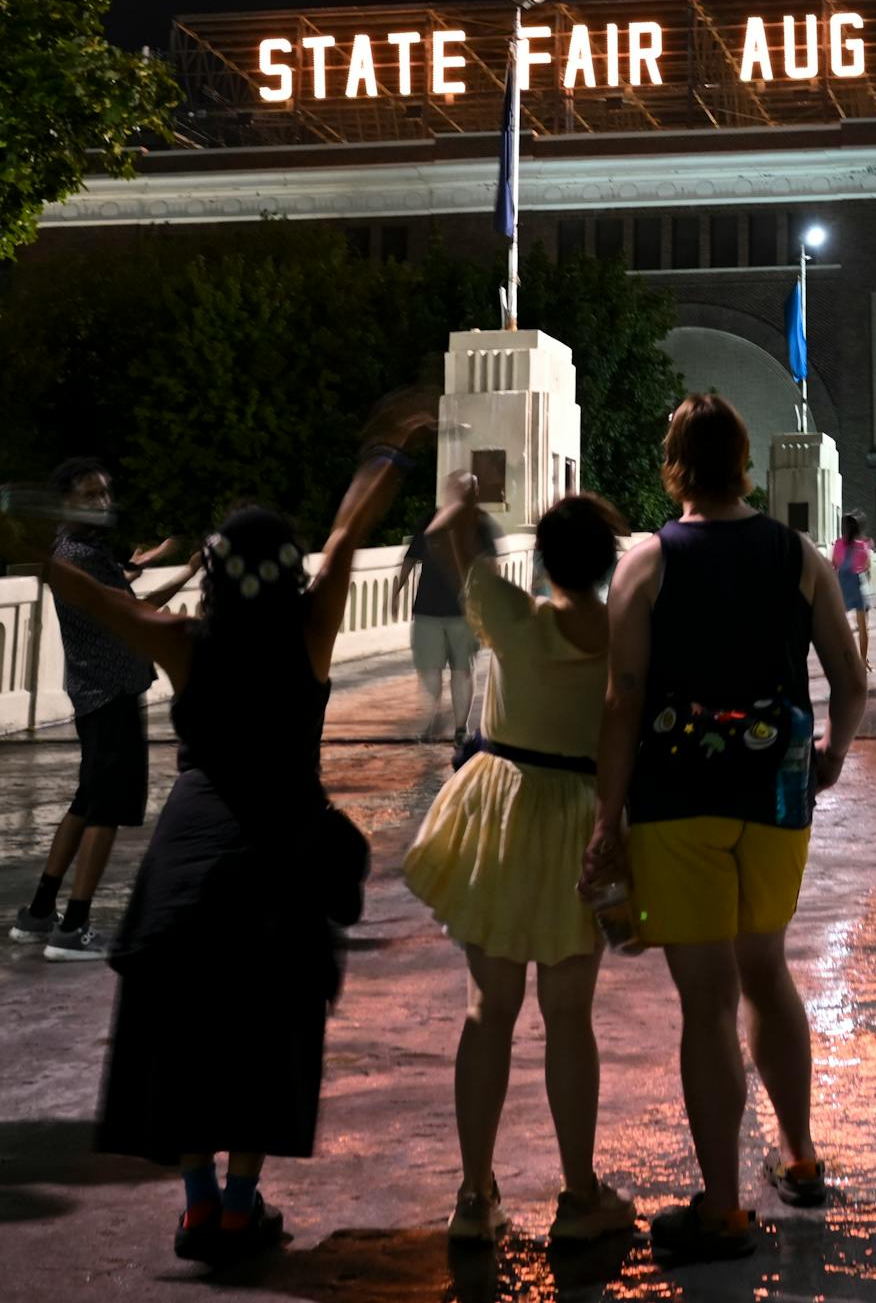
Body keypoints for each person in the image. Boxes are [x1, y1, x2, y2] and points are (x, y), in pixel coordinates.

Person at [0, 396, 429, 1264]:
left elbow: (94, 597)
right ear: (285, 574)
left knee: (183, 1027)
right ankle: (238, 1205)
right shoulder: (310, 633)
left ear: (217, 573)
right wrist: (387, 451)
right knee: (268, 1027)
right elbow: (344, 538)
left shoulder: (187, 643)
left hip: (188, 851)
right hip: (279, 846)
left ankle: (195, 1206)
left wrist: (33, 550)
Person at [586, 394, 869, 1266]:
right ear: (745, 460)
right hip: (775, 791)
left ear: (674, 462)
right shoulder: (799, 556)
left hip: (680, 796)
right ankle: (800, 1154)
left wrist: (607, 818)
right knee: (768, 968)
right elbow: (849, 679)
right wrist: (829, 754)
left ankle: (722, 1207)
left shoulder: (649, 561)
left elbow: (623, 697)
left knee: (706, 1001)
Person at [400, 475, 636, 1248]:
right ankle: (578, 1192)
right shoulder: (624, 636)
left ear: (545, 556)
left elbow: (449, 538)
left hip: (500, 812)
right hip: (578, 817)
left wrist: (466, 496)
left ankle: (474, 1197)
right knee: (570, 1017)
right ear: (607, 561)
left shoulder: (516, 618)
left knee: (487, 1011)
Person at [10, 458, 175, 960]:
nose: (102, 503)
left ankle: (40, 912)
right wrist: (190, 571)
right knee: (106, 810)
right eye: (89, 495)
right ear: (64, 503)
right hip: (111, 694)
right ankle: (74, 926)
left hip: (94, 694)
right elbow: (136, 612)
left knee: (86, 804)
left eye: (105, 493)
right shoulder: (81, 554)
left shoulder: (74, 550)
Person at [393, 502, 500, 743]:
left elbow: (492, 566)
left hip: (465, 614)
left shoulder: (479, 523)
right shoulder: (431, 519)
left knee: (462, 671)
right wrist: (395, 592)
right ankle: (433, 720)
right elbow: (410, 558)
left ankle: (461, 728)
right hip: (427, 612)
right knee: (429, 671)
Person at [830, 513, 873, 665]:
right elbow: (867, 567)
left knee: (840, 625)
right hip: (858, 585)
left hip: (842, 585)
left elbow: (834, 564)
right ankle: (863, 660)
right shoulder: (862, 546)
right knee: (863, 628)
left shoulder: (838, 544)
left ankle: (842, 659)